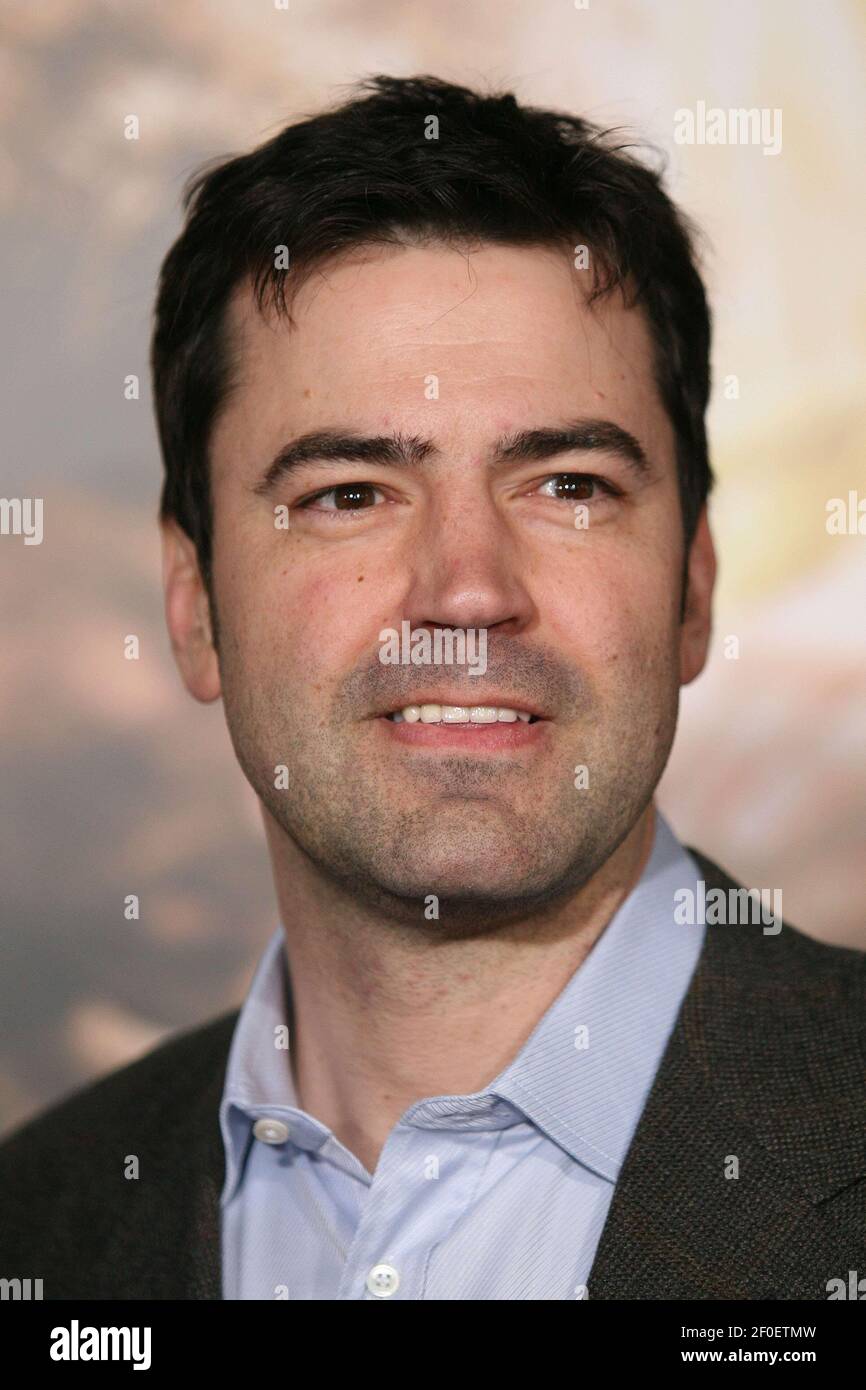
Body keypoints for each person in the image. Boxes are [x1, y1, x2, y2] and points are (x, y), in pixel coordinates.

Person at [1, 75, 863, 1302]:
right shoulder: (37, 1228)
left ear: (692, 585)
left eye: (566, 483)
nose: (465, 590)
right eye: (348, 493)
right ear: (193, 606)